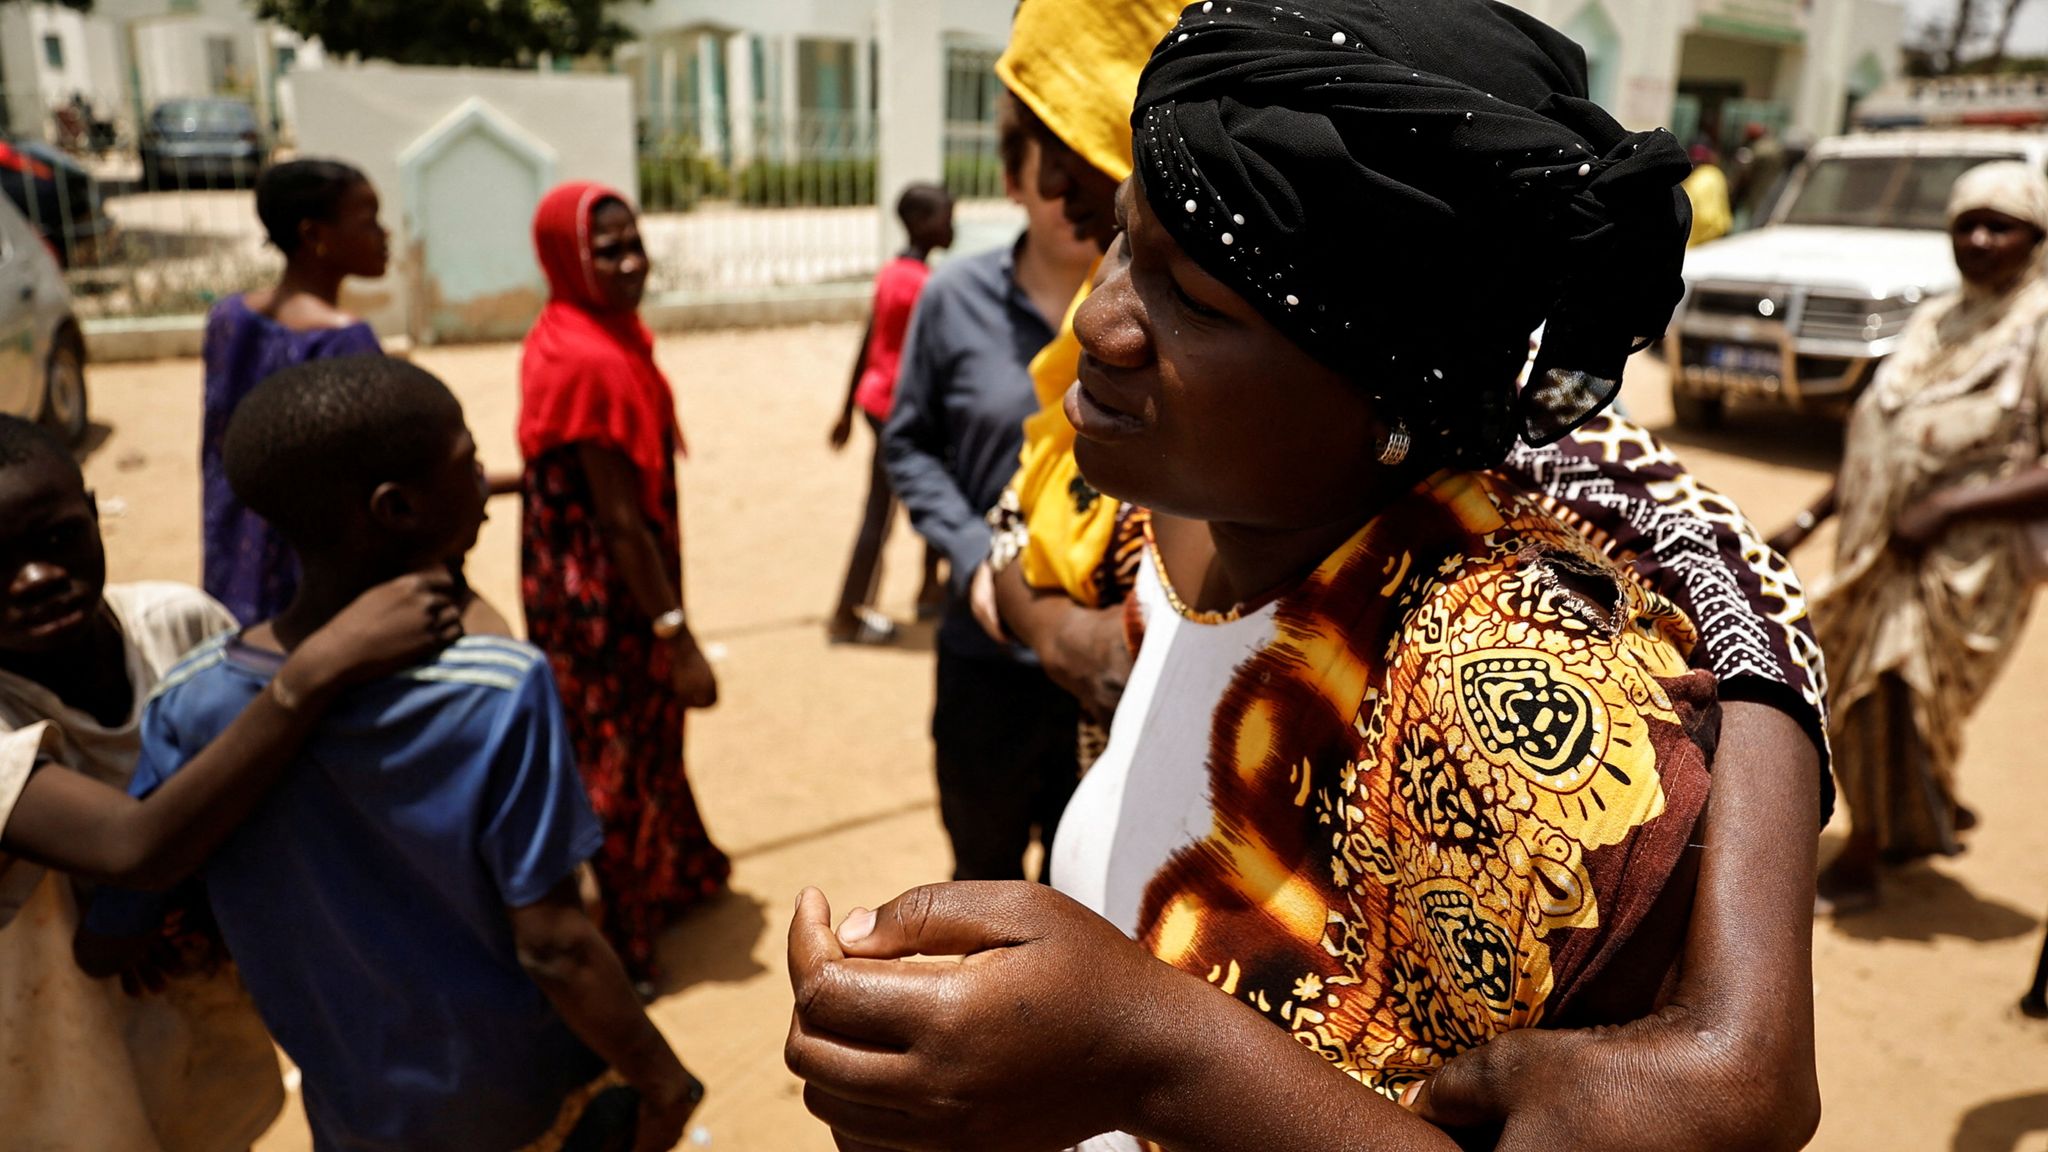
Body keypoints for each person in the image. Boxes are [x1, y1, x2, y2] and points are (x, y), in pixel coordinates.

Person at [787, 3, 1828, 1150]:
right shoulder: (1181, 522)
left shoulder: (1493, 700)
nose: (1101, 317)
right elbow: (1014, 535)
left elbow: (1725, 565)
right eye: (1129, 240)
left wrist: (1150, 1058)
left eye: (1200, 300)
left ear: (1384, 391)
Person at [85, 356, 704, 1152]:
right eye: (468, 464)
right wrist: (662, 1077)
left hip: (353, 1113)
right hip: (515, 1105)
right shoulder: (497, 689)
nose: (485, 484)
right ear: (397, 509)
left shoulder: (193, 701)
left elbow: (124, 916)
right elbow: (556, 942)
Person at [0, 414, 463, 1152]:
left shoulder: (178, 625)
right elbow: (134, 846)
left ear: (92, 514)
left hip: (194, 1020)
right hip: (44, 1058)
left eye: (57, 539)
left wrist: (170, 902)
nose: (34, 578)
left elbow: (263, 800)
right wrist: (311, 673)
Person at [1774, 162, 2048, 913]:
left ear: (2037, 237)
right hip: (1876, 548)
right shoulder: (1937, 317)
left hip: (1962, 563)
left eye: (2001, 226)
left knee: (1893, 694)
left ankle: (1865, 856)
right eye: (1967, 223)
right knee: (1851, 683)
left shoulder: (2040, 327)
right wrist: (1808, 518)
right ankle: (1913, 817)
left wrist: (1953, 508)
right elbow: (1879, 437)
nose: (1980, 240)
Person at [882, 101, 1101, 881]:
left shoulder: (1151, 311)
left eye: (1096, 165)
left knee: (1088, 891)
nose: (1076, 193)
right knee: (983, 875)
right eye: (1054, 173)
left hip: (1103, 662)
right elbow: (907, 443)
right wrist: (977, 554)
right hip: (986, 658)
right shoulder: (952, 300)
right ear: (1013, 180)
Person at [519, 182, 729, 987]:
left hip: (594, 587)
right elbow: (617, 524)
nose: (631, 261)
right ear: (568, 257)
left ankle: (680, 876)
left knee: (644, 748)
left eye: (635, 241)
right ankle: (631, 944)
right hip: (607, 605)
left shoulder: (577, 330)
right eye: (608, 251)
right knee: (617, 763)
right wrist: (676, 635)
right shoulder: (589, 360)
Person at [202, 159, 389, 625]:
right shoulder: (345, 340)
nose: (384, 235)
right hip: (311, 571)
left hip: (235, 551)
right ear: (314, 236)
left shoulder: (229, 318)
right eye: (368, 222)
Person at [827, 183, 956, 645]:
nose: (952, 225)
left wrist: (845, 410)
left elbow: (869, 340)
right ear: (922, 224)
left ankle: (926, 591)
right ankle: (848, 614)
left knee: (911, 502)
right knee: (886, 513)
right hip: (904, 410)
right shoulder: (927, 286)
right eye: (945, 216)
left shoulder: (890, 274)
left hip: (876, 402)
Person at [1683, 141, 1733, 247]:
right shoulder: (1717, 173)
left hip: (1700, 233)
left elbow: (1688, 206)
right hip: (1719, 229)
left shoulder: (1696, 180)